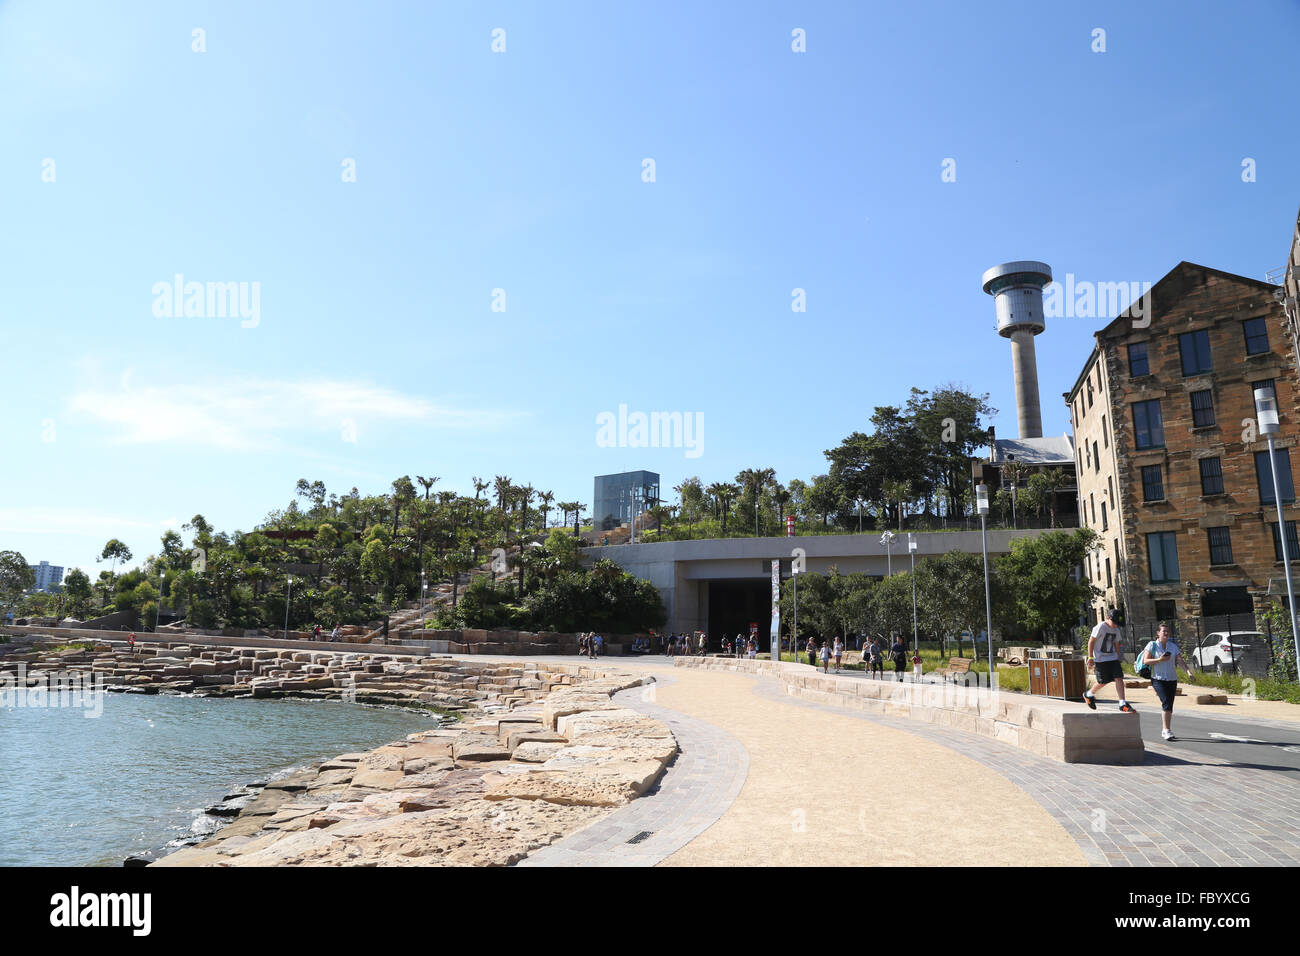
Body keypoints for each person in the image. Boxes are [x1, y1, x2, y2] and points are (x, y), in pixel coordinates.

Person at [1085, 608, 1135, 713]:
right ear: (1107, 618)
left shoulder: (1116, 629)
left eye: (1117, 624)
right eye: (1114, 622)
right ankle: (1089, 694)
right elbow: (1091, 642)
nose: (1115, 625)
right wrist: (1090, 657)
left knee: (1119, 677)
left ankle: (1122, 703)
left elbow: (1116, 643)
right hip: (1100, 658)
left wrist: (1119, 655)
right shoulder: (1100, 627)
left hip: (1112, 657)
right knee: (1103, 681)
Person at [1142, 623, 1185, 740]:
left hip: (1172, 678)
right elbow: (1146, 661)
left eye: (1167, 631)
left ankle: (1166, 729)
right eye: (1163, 631)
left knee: (1169, 704)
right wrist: (1160, 659)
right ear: (1158, 633)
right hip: (1158, 678)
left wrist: (1188, 672)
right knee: (1166, 702)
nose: (1166, 633)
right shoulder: (1152, 645)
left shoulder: (1172, 646)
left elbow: (1180, 660)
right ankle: (1166, 730)